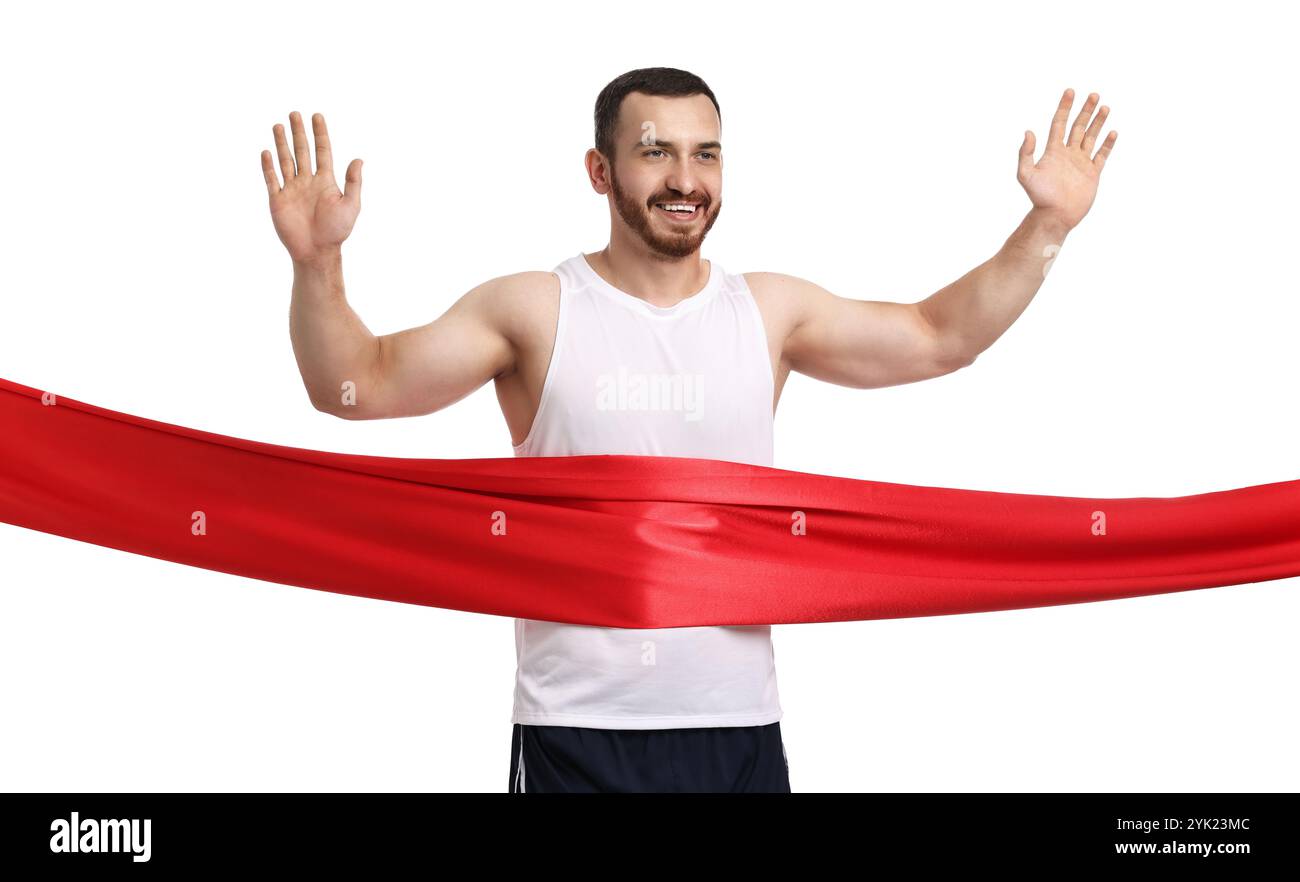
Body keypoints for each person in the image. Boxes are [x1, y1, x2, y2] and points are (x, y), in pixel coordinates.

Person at [259, 67, 1117, 793]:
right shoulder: (534, 310)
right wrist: (317, 266)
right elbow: (353, 387)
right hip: (577, 732)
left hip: (736, 727)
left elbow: (942, 338)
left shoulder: (769, 312)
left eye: (705, 153)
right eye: (655, 151)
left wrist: (1047, 228)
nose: (686, 178)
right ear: (600, 171)